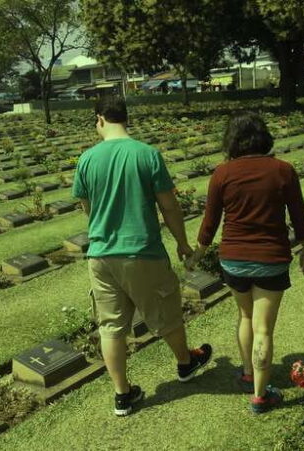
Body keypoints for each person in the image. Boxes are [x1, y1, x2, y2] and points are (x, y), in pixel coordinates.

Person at [73, 96, 212, 417]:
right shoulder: (147, 154)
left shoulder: (87, 160)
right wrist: (181, 242)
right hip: (142, 251)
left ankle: (123, 395)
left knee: (111, 327)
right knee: (166, 312)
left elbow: (87, 209)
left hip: (101, 255)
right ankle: (185, 363)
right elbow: (168, 205)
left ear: (100, 120)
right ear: (125, 118)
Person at [189, 112, 304, 414]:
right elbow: (299, 215)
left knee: (245, 317)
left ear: (231, 140)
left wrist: (198, 253)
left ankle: (247, 373)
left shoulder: (222, 173)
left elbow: (210, 222)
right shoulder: (283, 170)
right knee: (264, 330)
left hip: (233, 259)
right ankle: (260, 396)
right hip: (271, 259)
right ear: (263, 136)